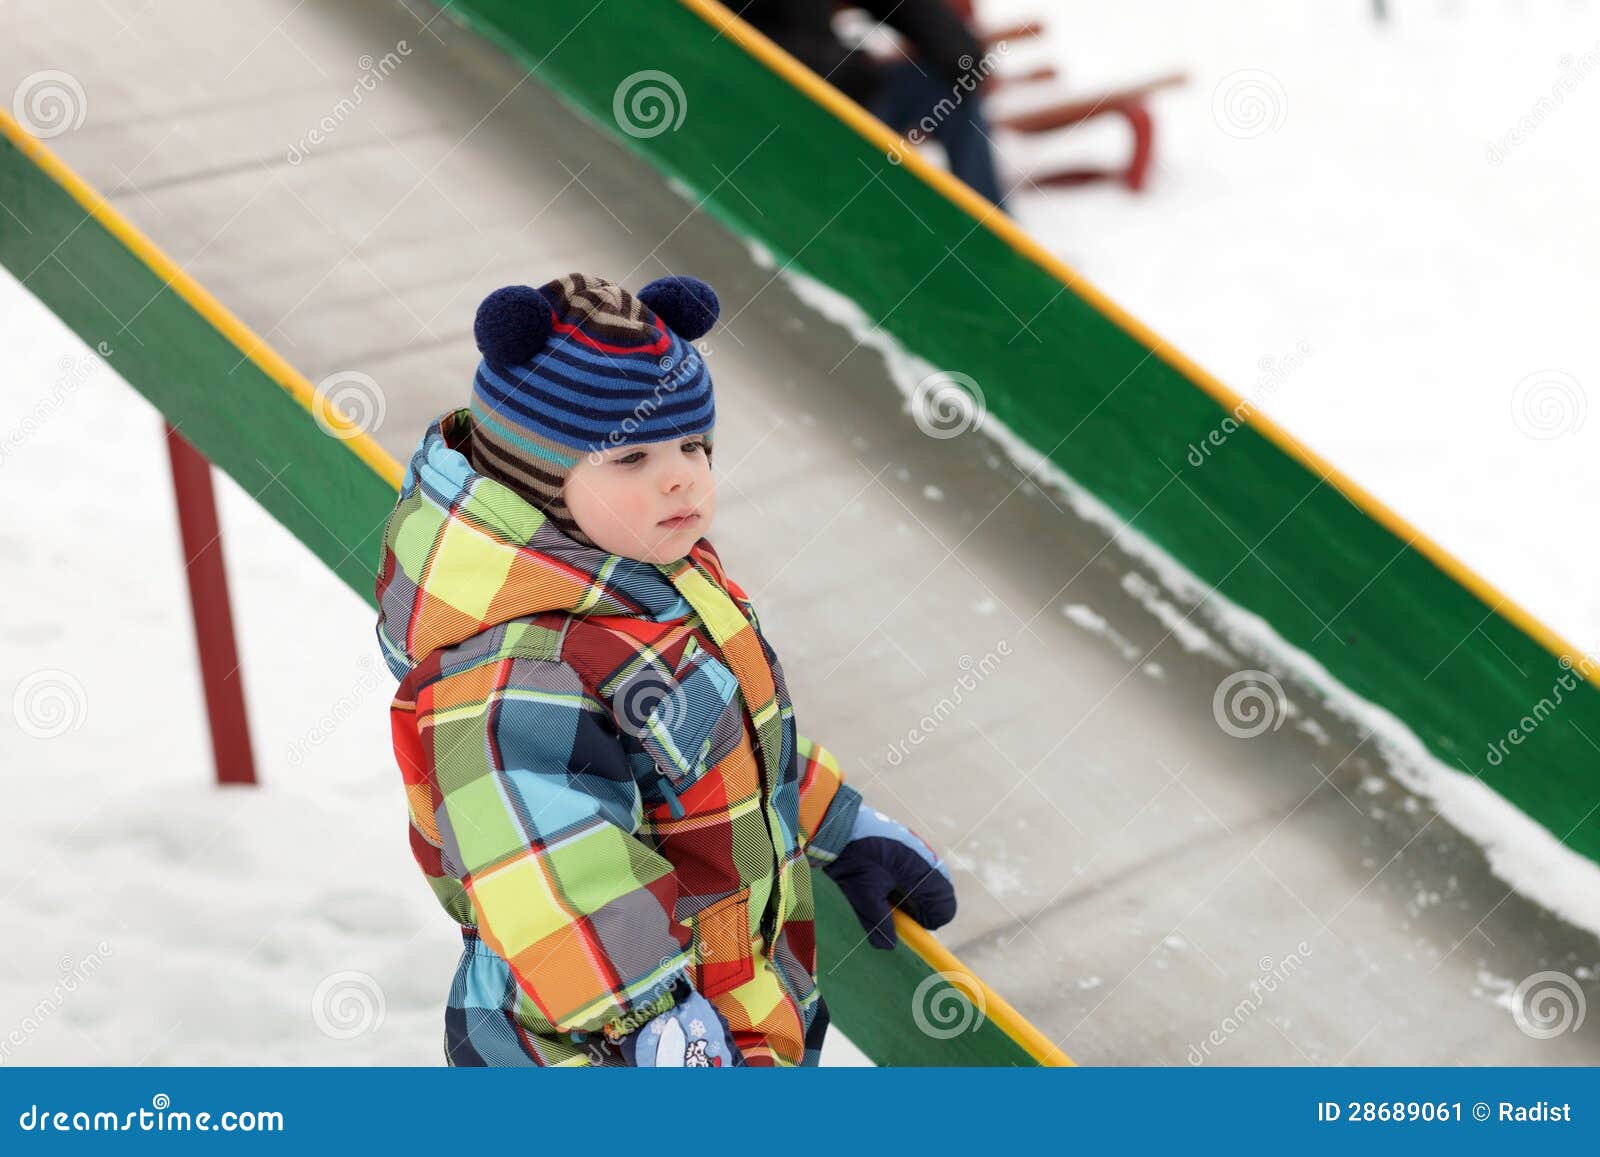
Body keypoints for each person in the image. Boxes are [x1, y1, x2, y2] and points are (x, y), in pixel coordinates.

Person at [375, 272, 957, 1067]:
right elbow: (545, 872)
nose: (680, 474)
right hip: (591, 1048)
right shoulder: (514, 668)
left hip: (728, 1005)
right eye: (633, 456)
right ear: (540, 477)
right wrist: (649, 1013)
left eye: (693, 445)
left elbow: (723, 740)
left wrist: (837, 821)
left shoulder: (658, 580)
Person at [742, 0, 1009, 212]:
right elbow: (733, 37)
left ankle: (993, 234)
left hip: (850, 96)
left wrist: (955, 46)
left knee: (948, 86)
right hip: (781, 116)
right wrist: (845, 69)